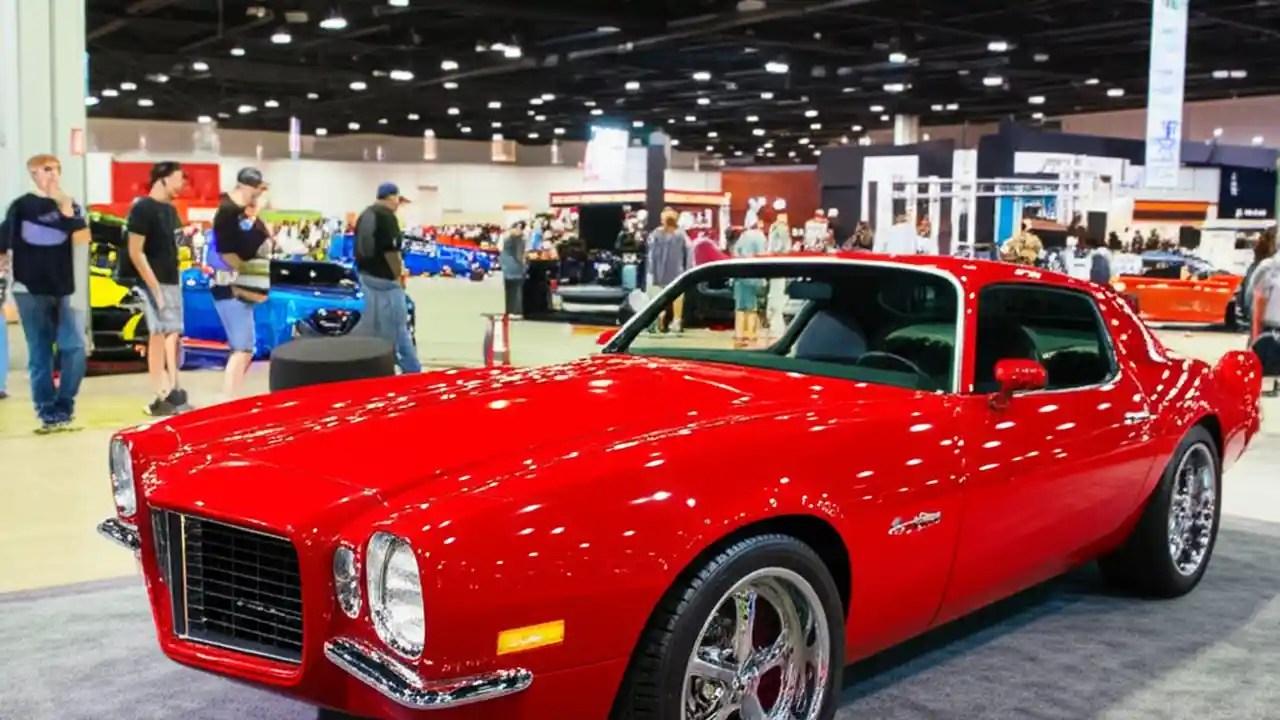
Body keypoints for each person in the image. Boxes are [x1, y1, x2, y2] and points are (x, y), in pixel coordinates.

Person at [0, 154, 90, 432]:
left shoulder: (69, 205)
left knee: (74, 347)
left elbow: (82, 237)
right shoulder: (22, 207)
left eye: (56, 169)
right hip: (30, 290)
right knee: (40, 352)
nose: (52, 175)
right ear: (34, 174)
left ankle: (65, 405)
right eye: (46, 170)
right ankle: (46, 411)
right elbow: (3, 243)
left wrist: (65, 210)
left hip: (63, 288)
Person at [125, 161, 191, 416]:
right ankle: (159, 393)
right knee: (157, 333)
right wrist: (154, 288)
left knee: (171, 333)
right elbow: (135, 251)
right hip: (153, 282)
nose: (181, 184)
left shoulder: (171, 211)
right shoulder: (142, 208)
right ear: (162, 179)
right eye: (177, 179)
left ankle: (174, 388)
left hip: (172, 279)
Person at [210, 167, 271, 401]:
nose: (258, 194)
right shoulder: (228, 214)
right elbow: (231, 254)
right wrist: (244, 270)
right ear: (247, 187)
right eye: (257, 189)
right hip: (232, 288)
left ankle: (230, 397)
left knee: (244, 348)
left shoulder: (234, 212)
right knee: (243, 349)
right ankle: (229, 399)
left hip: (234, 287)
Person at [354, 182, 421, 373]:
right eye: (398, 200)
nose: (399, 205)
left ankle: (375, 372)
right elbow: (391, 252)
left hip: (365, 280)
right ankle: (414, 375)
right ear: (391, 198)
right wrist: (399, 275)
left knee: (371, 331)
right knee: (398, 332)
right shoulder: (387, 217)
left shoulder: (364, 215)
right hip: (385, 283)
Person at [646, 208, 691, 333]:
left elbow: (651, 256)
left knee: (659, 299)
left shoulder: (655, 234)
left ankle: (659, 318)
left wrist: (651, 272)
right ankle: (676, 322)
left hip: (659, 274)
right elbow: (689, 253)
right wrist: (688, 271)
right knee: (677, 298)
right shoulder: (681, 235)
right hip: (677, 273)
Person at [732, 218, 768, 347]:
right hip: (754, 276)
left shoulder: (743, 236)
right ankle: (750, 335)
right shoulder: (761, 237)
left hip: (740, 276)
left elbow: (735, 254)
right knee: (752, 307)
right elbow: (763, 256)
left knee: (740, 307)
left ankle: (739, 335)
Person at [500, 221, 527, 318]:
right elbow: (519, 254)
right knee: (516, 288)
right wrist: (523, 264)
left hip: (506, 264)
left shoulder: (506, 236)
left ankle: (509, 310)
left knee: (509, 288)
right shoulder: (518, 238)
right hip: (515, 265)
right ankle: (516, 311)